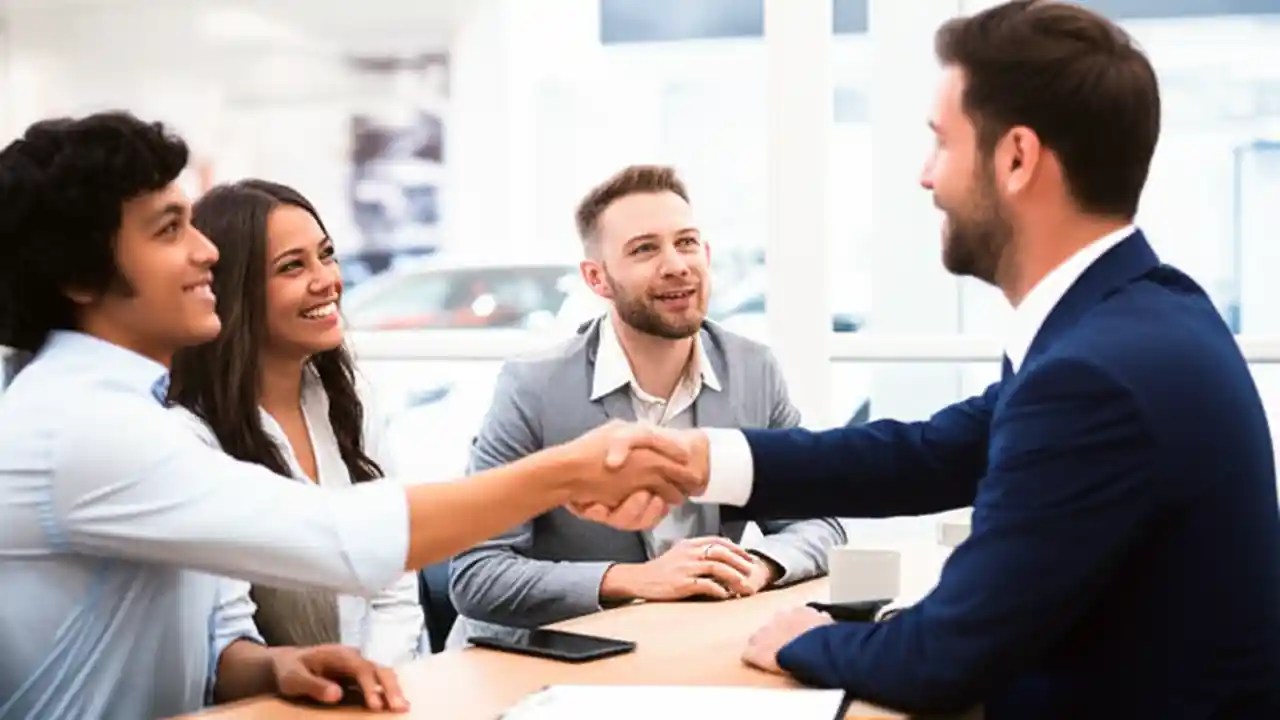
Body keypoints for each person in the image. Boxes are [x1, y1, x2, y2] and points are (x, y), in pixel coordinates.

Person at [587, 2, 1280, 717]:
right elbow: (925, 454)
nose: (926, 177)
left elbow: (944, 659)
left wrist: (802, 639)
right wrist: (695, 462)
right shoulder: (1136, 316)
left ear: (1016, 158)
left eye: (941, 144)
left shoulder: (1094, 375)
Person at [0, 112, 696, 719]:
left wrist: (276, 668)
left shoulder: (126, 410)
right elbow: (342, 540)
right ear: (80, 277)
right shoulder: (81, 428)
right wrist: (569, 470)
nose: (206, 250)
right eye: (169, 230)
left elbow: (211, 638)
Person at [447, 166, 845, 647]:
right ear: (598, 279)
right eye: (645, 249)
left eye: (687, 243)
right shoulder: (532, 387)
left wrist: (758, 565)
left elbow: (820, 523)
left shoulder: (753, 370)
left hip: (685, 650)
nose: (677, 264)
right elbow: (477, 574)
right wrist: (637, 579)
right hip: (538, 664)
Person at [167, 180, 425, 666]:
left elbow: (395, 574)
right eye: (293, 267)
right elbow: (227, 632)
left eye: (326, 255)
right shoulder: (191, 434)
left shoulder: (346, 399)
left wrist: (378, 676)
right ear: (232, 292)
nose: (326, 280)